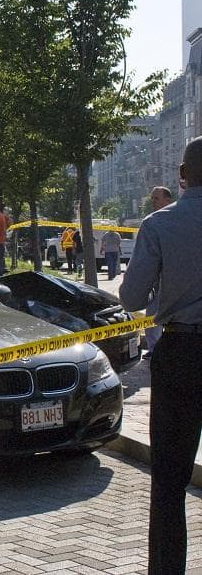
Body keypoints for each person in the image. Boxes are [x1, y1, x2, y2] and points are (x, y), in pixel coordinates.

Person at [119, 137, 202, 575]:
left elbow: (131, 296)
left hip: (180, 354)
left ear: (182, 175)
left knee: (169, 483)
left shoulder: (158, 224)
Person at [144, 186, 175, 359]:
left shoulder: (176, 220)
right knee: (152, 315)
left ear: (167, 200)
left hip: (173, 277)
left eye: (156, 198)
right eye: (152, 198)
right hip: (156, 279)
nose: (153, 202)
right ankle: (154, 349)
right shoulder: (151, 221)